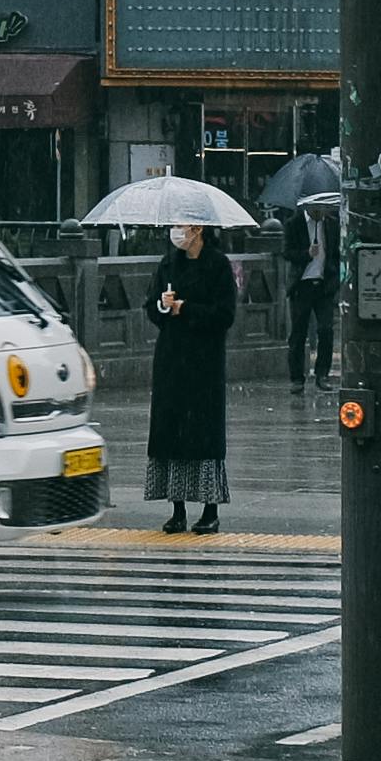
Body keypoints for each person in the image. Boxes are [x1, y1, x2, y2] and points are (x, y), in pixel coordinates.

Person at [143, 215, 240, 531]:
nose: (177, 232)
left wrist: (187, 309)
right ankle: (177, 509)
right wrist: (162, 304)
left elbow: (224, 314)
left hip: (204, 362)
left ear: (197, 229)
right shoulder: (168, 264)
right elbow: (151, 306)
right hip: (171, 358)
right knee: (171, 432)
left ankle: (210, 510)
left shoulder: (218, 265)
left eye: (182, 225)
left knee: (203, 434)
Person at [282, 199, 340, 389]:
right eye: (317, 208)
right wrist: (307, 254)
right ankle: (297, 378)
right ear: (308, 207)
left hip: (324, 285)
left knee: (326, 330)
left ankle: (322, 374)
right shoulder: (294, 224)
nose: (321, 212)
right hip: (302, 285)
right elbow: (287, 252)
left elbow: (336, 253)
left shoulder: (332, 224)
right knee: (298, 333)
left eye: (323, 208)